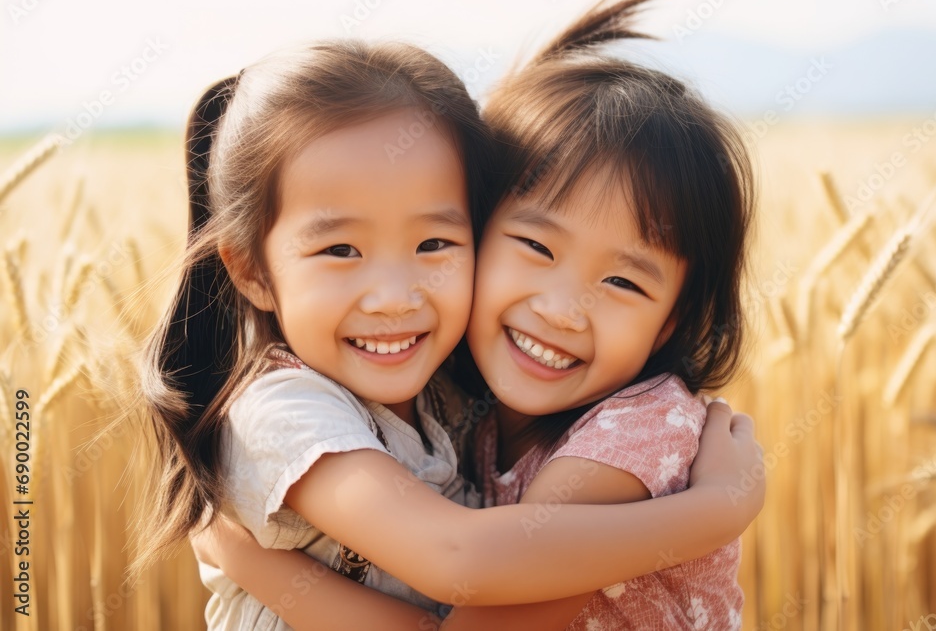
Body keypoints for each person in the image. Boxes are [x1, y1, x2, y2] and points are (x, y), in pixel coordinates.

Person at [143, 32, 763, 630]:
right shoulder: (290, 409)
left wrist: (249, 559)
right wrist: (715, 511)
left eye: (433, 243)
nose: (562, 312)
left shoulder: (634, 437)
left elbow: (458, 567)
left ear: (672, 319)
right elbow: (454, 558)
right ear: (250, 269)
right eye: (340, 249)